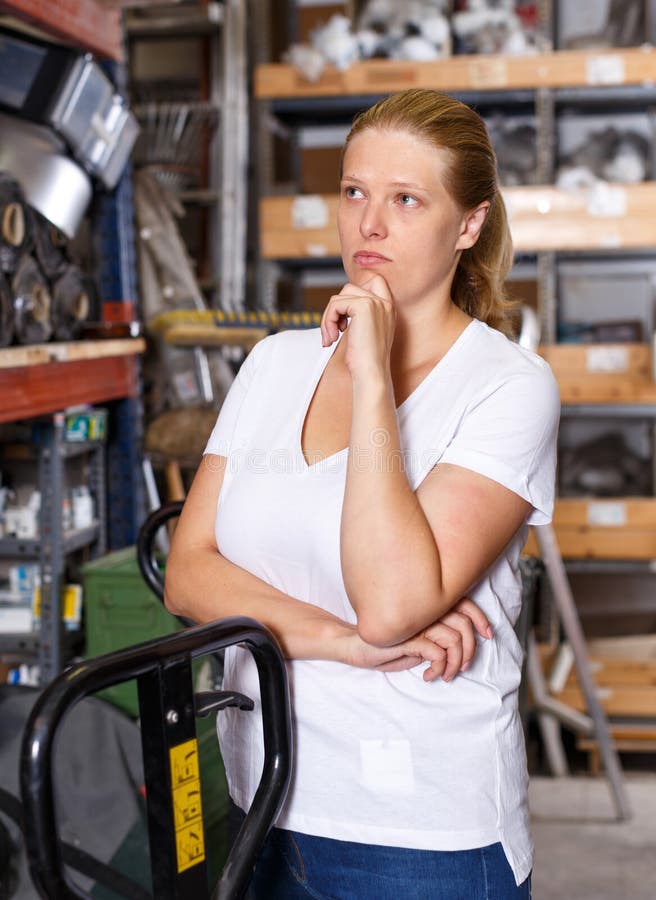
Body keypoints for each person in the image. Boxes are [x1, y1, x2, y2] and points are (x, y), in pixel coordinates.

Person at [164, 88, 560, 899]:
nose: (368, 225)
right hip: (259, 798)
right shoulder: (275, 364)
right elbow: (189, 573)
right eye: (354, 193)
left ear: (469, 225)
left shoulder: (507, 387)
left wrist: (371, 369)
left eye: (406, 200)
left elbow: (391, 602)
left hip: (417, 833)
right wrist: (344, 641)